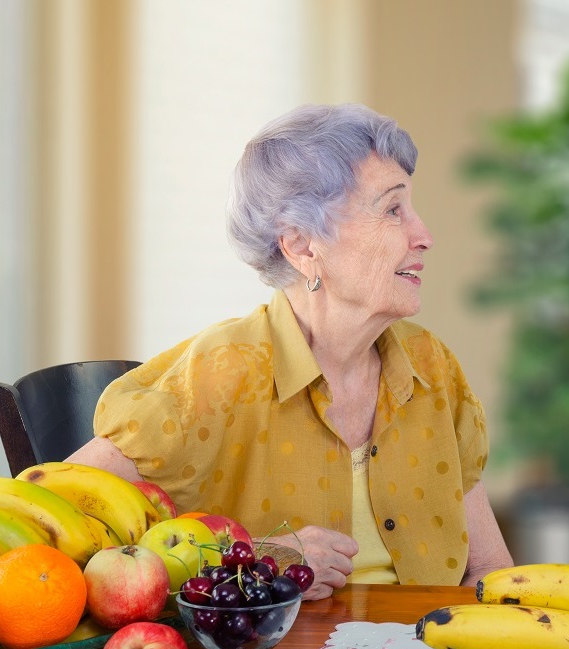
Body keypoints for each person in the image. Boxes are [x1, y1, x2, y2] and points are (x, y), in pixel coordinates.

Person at [69, 104, 514, 600]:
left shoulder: (433, 367)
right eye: (393, 210)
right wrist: (259, 560)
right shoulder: (220, 374)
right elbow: (56, 523)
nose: (424, 236)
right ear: (302, 246)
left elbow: (489, 568)